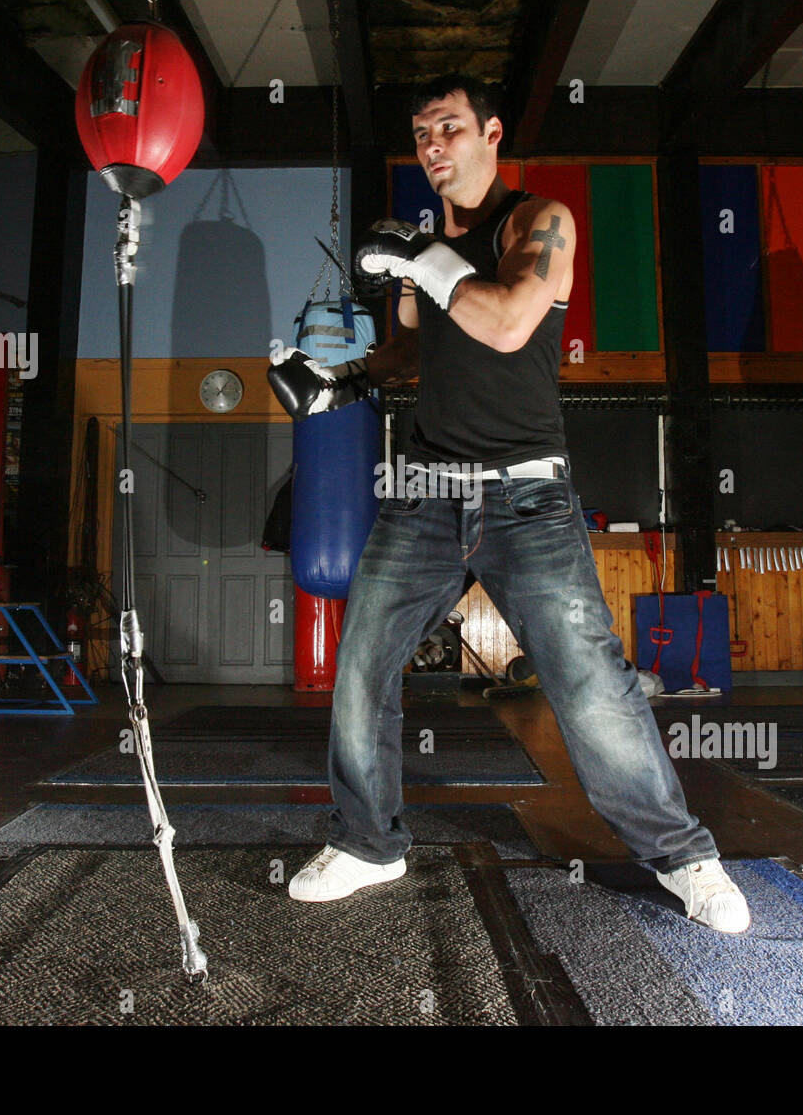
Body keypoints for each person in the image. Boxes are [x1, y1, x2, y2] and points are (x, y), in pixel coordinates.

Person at [268, 74, 750, 933]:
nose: (432, 146)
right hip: (424, 495)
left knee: (591, 681)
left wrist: (419, 258)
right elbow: (412, 351)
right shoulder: (417, 251)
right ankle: (368, 843)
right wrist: (336, 380)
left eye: (449, 127)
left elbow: (507, 322)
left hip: (529, 497)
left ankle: (683, 857)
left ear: (491, 133)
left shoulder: (539, 222)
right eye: (420, 133)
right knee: (362, 665)